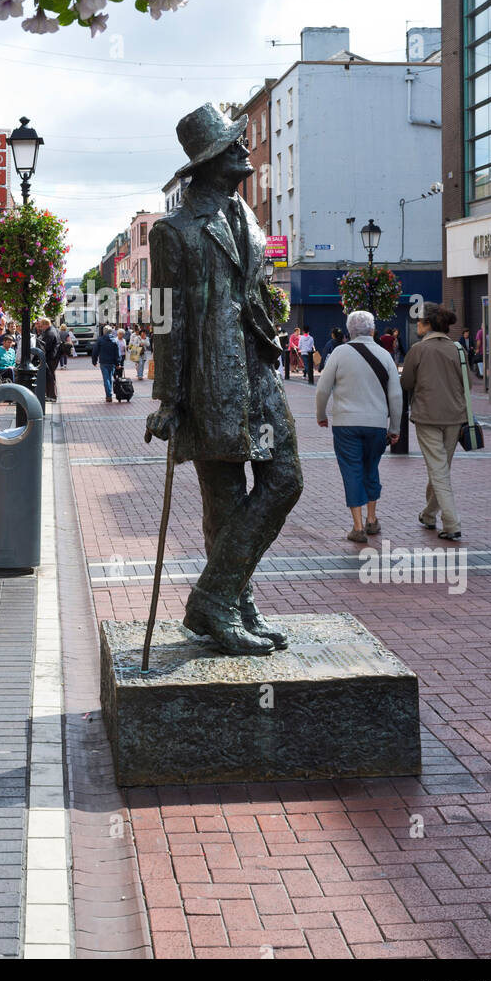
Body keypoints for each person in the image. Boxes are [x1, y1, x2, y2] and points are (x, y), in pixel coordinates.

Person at [147, 103, 302, 655]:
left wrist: (272, 320)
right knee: (226, 497)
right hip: (210, 381)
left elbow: (253, 289)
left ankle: (217, 597)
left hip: (258, 372)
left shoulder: (251, 219)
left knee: (285, 479)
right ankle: (234, 604)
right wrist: (167, 396)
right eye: (233, 145)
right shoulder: (174, 232)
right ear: (210, 163)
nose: (244, 149)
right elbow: (166, 315)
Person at [315, 310, 402, 543]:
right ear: (372, 330)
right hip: (376, 424)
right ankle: (372, 519)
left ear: (349, 331)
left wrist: (321, 414)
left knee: (351, 471)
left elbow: (323, 388)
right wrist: (395, 427)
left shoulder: (339, 353)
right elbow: (395, 395)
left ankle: (357, 526)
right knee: (370, 468)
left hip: (346, 424)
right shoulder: (384, 355)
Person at [400, 303, 468, 541]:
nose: (416, 324)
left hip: (427, 416)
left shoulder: (418, 350)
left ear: (428, 324)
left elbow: (406, 382)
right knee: (441, 469)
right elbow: (465, 381)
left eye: (419, 320)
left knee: (438, 471)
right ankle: (429, 514)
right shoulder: (458, 349)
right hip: (455, 417)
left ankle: (451, 522)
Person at [91, 325, 121, 402]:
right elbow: (117, 353)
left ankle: (108, 395)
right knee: (110, 378)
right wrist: (118, 363)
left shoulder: (100, 340)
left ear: (104, 332)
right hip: (112, 363)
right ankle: (109, 394)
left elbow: (95, 351)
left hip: (104, 362)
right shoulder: (115, 340)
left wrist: (94, 361)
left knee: (106, 379)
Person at [35, 316, 60, 401]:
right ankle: (50, 394)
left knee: (49, 376)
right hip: (53, 357)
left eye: (42, 326)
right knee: (50, 376)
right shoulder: (53, 330)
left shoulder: (50, 333)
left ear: (46, 325)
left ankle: (52, 396)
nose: (41, 328)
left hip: (50, 357)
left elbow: (46, 346)